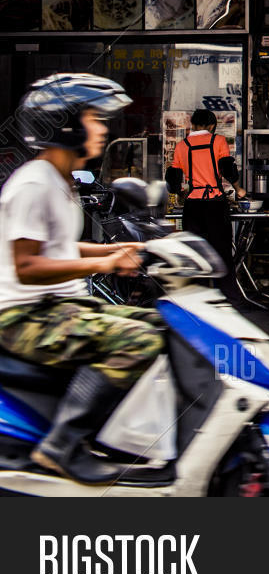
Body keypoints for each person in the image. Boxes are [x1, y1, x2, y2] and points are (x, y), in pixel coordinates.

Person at [0, 74, 162, 484]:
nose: (104, 128)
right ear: (65, 124)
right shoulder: (34, 183)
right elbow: (28, 266)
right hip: (24, 316)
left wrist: (120, 252)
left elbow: (60, 249)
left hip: (58, 307)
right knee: (138, 340)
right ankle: (64, 444)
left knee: (168, 324)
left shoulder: (59, 180)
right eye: (95, 118)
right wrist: (103, 264)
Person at [167, 108, 241, 303]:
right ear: (211, 125)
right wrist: (239, 189)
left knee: (194, 253)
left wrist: (181, 192)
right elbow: (227, 168)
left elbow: (173, 180)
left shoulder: (182, 145)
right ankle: (228, 298)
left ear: (193, 125)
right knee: (222, 252)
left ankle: (196, 299)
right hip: (215, 203)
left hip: (193, 206)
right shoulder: (218, 141)